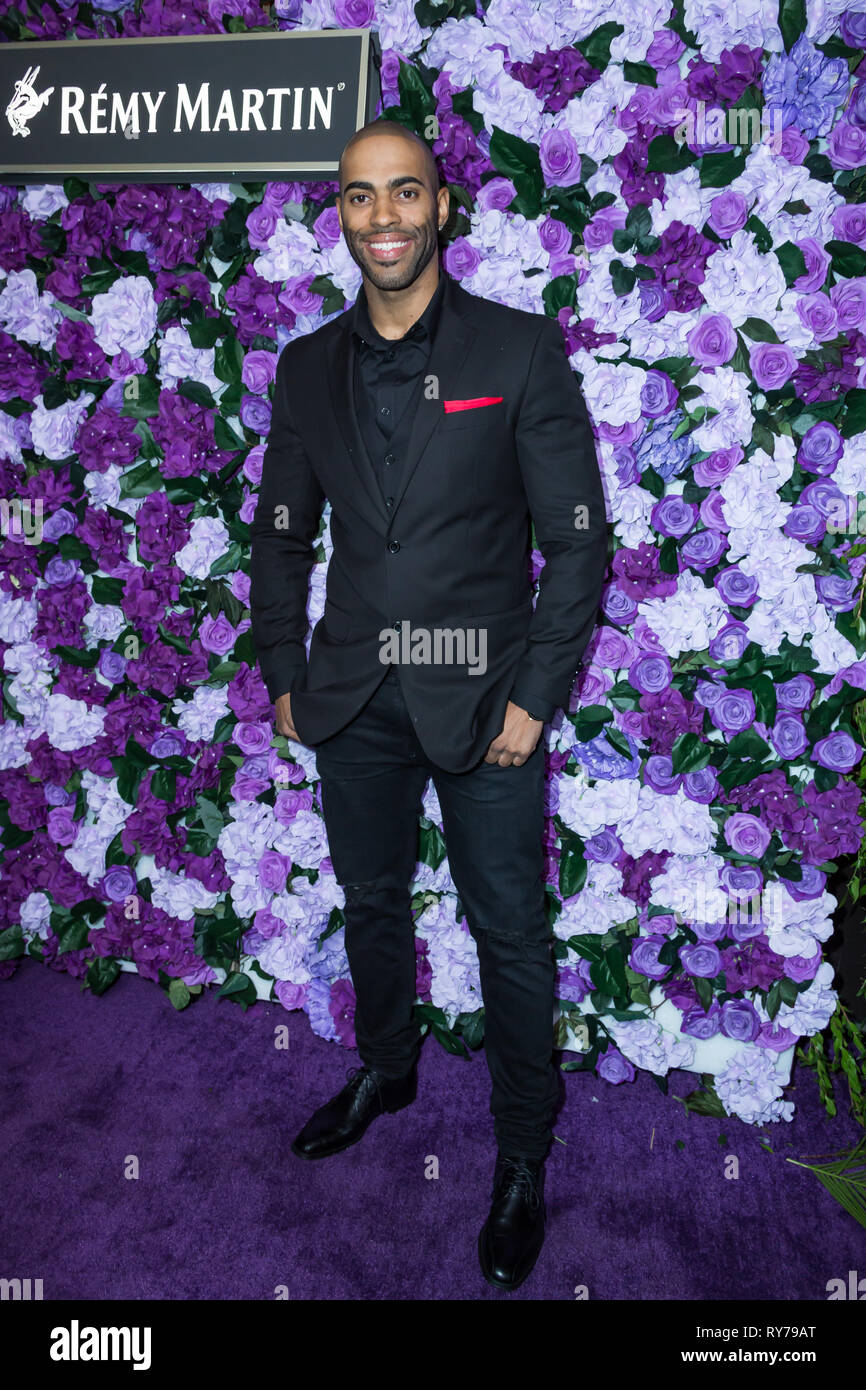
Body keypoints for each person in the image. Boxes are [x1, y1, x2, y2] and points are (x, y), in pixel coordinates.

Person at [249, 118, 609, 1291]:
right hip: (354, 693)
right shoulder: (304, 368)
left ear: (442, 206)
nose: (384, 217)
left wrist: (535, 698)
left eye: (406, 193)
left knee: (510, 935)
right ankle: (387, 1065)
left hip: (484, 703)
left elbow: (575, 544)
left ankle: (518, 1156)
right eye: (361, 197)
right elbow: (282, 536)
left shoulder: (515, 351)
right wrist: (284, 674)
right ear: (340, 215)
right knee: (369, 900)